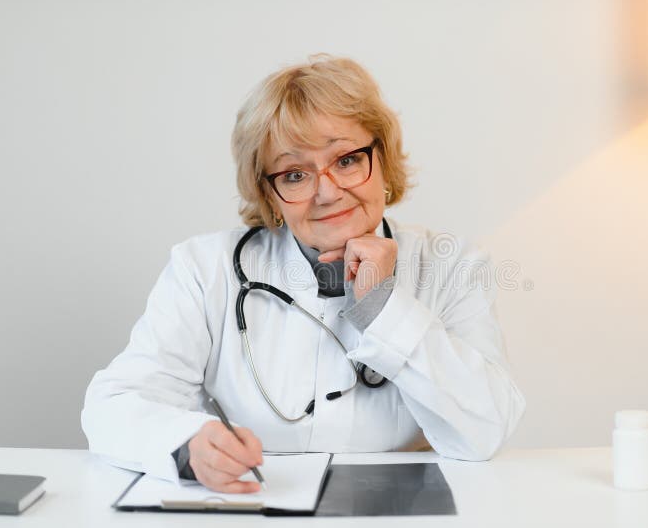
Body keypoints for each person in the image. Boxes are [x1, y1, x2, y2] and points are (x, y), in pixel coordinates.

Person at [81, 55, 526, 494]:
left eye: (348, 160)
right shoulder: (203, 268)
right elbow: (113, 405)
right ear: (270, 195)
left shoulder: (453, 266)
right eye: (295, 174)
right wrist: (186, 446)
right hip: (258, 507)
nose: (328, 192)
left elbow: (484, 431)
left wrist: (384, 308)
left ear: (383, 163)